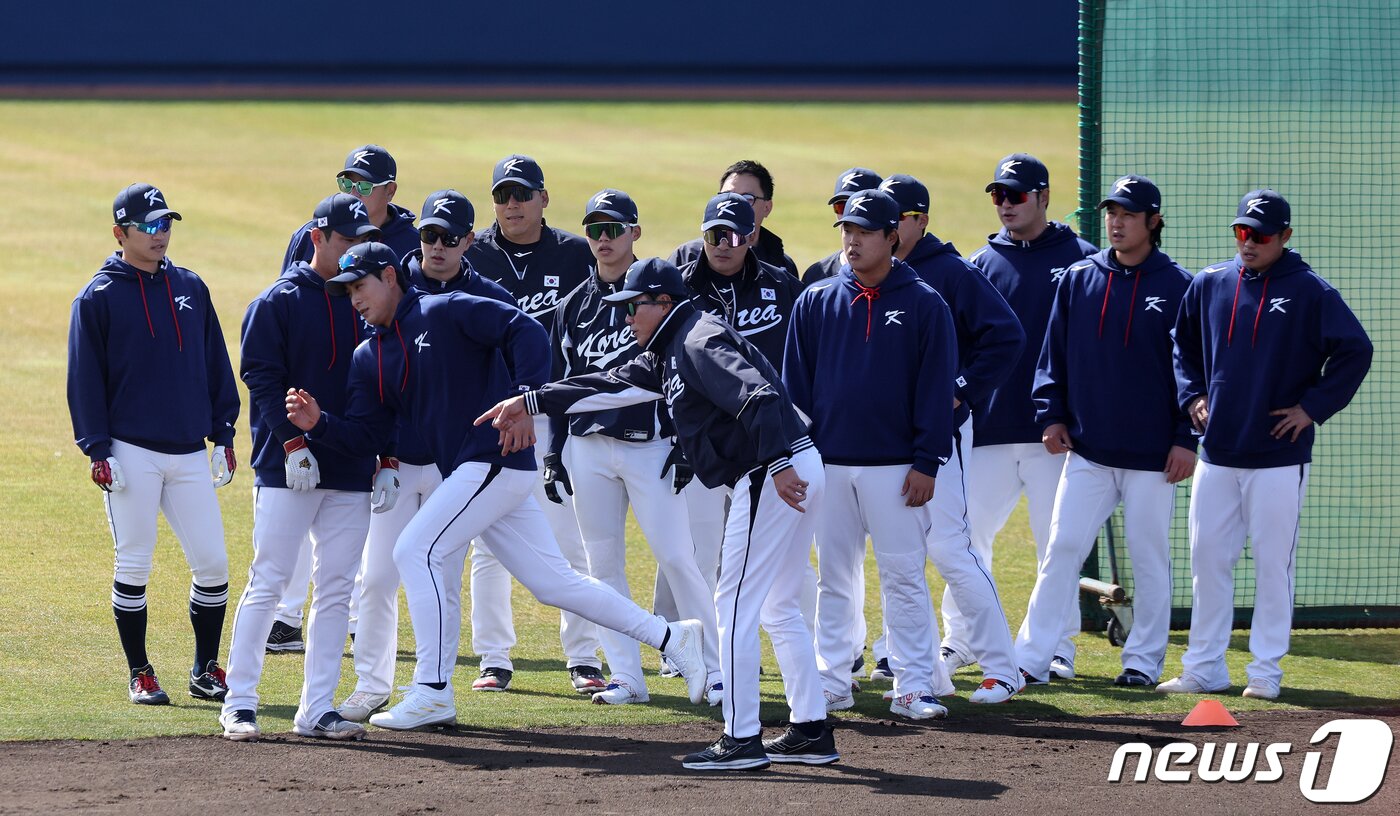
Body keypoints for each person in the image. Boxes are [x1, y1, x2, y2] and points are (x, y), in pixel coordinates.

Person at [283, 242, 708, 734]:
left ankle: (433, 690)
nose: (354, 298)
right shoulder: (369, 356)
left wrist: (526, 401)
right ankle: (673, 637)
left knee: (414, 550)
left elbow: (522, 328)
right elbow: (368, 435)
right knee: (554, 583)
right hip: (483, 472)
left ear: (389, 277)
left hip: (490, 459)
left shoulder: (443, 309)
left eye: (360, 286)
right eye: (347, 291)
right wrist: (320, 425)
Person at [480, 258, 837, 771]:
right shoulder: (671, 346)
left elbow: (755, 396)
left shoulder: (696, 340)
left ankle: (741, 737)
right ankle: (810, 729)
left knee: (733, 603)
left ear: (662, 302)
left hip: (775, 469)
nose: (626, 319)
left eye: (633, 308)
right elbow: (606, 385)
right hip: (790, 464)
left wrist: (778, 464)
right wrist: (531, 400)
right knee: (778, 605)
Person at [1159, 189, 1372, 700]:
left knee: (1274, 564)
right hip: (1217, 455)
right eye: (1241, 232)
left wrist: (1312, 408)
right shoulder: (1211, 283)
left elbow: (1355, 350)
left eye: (1261, 235)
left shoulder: (1310, 291)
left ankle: (1265, 674)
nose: (1249, 243)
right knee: (1208, 558)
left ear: (1285, 237)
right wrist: (1193, 396)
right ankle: (1205, 667)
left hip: (1278, 457)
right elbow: (1182, 343)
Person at [338, 189, 515, 722]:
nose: (435, 246)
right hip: (395, 461)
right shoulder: (389, 286)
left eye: (448, 237)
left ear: (469, 240)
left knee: (440, 574)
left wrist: (525, 404)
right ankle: (372, 686)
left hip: (453, 466)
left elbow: (509, 366)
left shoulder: (487, 297)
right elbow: (375, 379)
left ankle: (436, 689)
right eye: (427, 235)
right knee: (377, 578)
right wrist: (382, 454)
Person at [784, 188, 958, 719]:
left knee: (904, 575)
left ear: (891, 237)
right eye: (846, 231)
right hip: (830, 465)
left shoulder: (926, 303)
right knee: (834, 576)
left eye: (864, 232)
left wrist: (928, 460)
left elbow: (936, 390)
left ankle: (912, 685)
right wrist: (797, 457)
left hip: (897, 468)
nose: (852, 240)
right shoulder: (816, 300)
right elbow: (797, 390)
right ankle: (833, 679)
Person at [1014, 175, 1194, 688]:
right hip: (1089, 451)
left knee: (1149, 558)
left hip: (1154, 457)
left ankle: (1142, 662)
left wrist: (1186, 438)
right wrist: (1051, 414)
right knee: (1061, 548)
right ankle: (1031, 657)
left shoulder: (1179, 286)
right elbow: (1054, 356)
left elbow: (1195, 372)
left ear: (1153, 222)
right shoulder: (1079, 278)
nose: (1116, 222)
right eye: (1112, 212)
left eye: (1129, 214)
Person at [546, 190, 722, 706]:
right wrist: (555, 453)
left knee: (677, 558)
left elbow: (686, 377)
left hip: (652, 448)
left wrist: (686, 445)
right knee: (602, 568)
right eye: (594, 229)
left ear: (634, 233)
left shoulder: (660, 294)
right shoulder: (572, 306)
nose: (603, 239)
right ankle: (626, 675)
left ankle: (715, 670)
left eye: (614, 228)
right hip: (589, 449)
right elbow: (562, 384)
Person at [219, 193, 384, 742]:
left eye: (362, 243)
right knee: (267, 582)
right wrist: (293, 444)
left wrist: (381, 453)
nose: (354, 253)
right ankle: (239, 702)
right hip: (287, 466)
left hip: (351, 465)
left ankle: (317, 709)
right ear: (318, 238)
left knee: (337, 589)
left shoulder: (368, 300)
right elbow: (262, 378)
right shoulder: (278, 301)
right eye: (345, 242)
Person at [67, 183, 239, 706]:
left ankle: (205, 669)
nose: (161, 233)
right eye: (149, 225)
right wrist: (97, 449)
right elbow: (84, 379)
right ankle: (140, 671)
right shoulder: (97, 296)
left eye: (166, 223)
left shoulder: (191, 285)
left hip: (188, 450)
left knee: (213, 564)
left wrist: (224, 432)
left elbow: (215, 362)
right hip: (129, 452)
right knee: (134, 563)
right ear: (121, 233)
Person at [872, 174, 1027, 702]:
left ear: (918, 221)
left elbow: (1006, 335)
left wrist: (961, 388)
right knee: (900, 555)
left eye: (896, 219)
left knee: (950, 548)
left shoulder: (952, 272)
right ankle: (919, 670)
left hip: (940, 436)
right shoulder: (869, 274)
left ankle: (1003, 669)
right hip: (888, 441)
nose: (884, 229)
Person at [464, 154, 605, 694]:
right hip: (488, 415)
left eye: (522, 194)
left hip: (552, 416)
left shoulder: (574, 254)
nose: (512, 204)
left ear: (544, 198)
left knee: (570, 539)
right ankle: (494, 658)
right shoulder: (472, 253)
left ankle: (583, 656)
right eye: (502, 195)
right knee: (485, 542)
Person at [270, 144, 419, 654]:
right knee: (289, 533)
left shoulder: (409, 242)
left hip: (369, 396)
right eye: (347, 181)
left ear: (389, 191)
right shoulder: (308, 237)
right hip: (315, 397)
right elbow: (292, 310)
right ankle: (286, 620)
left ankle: (358, 622)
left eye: (363, 183)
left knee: (355, 538)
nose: (352, 190)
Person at [957, 153, 1097, 679]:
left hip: (1053, 435)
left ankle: (1057, 647)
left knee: (1056, 546)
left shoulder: (1084, 260)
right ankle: (964, 640)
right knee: (965, 542)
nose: (1005, 205)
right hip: (989, 430)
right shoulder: (980, 264)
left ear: (1043, 197)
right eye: (998, 195)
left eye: (1016, 195)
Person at [654, 193, 806, 656]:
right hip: (705, 441)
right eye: (713, 233)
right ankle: (695, 650)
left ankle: (813, 651)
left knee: (787, 558)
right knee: (698, 547)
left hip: (765, 439)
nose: (722, 243)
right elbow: (657, 365)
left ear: (752, 236)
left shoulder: (782, 285)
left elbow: (801, 356)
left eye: (734, 235)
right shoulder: (679, 286)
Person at [668, 160, 800, 278]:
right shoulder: (687, 255)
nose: (734, 204)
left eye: (747, 198)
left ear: (767, 207)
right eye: (727, 196)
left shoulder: (782, 265)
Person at [802, 167, 884, 285]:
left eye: (859, 207)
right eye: (841, 206)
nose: (848, 215)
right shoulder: (816, 274)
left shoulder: (904, 277)